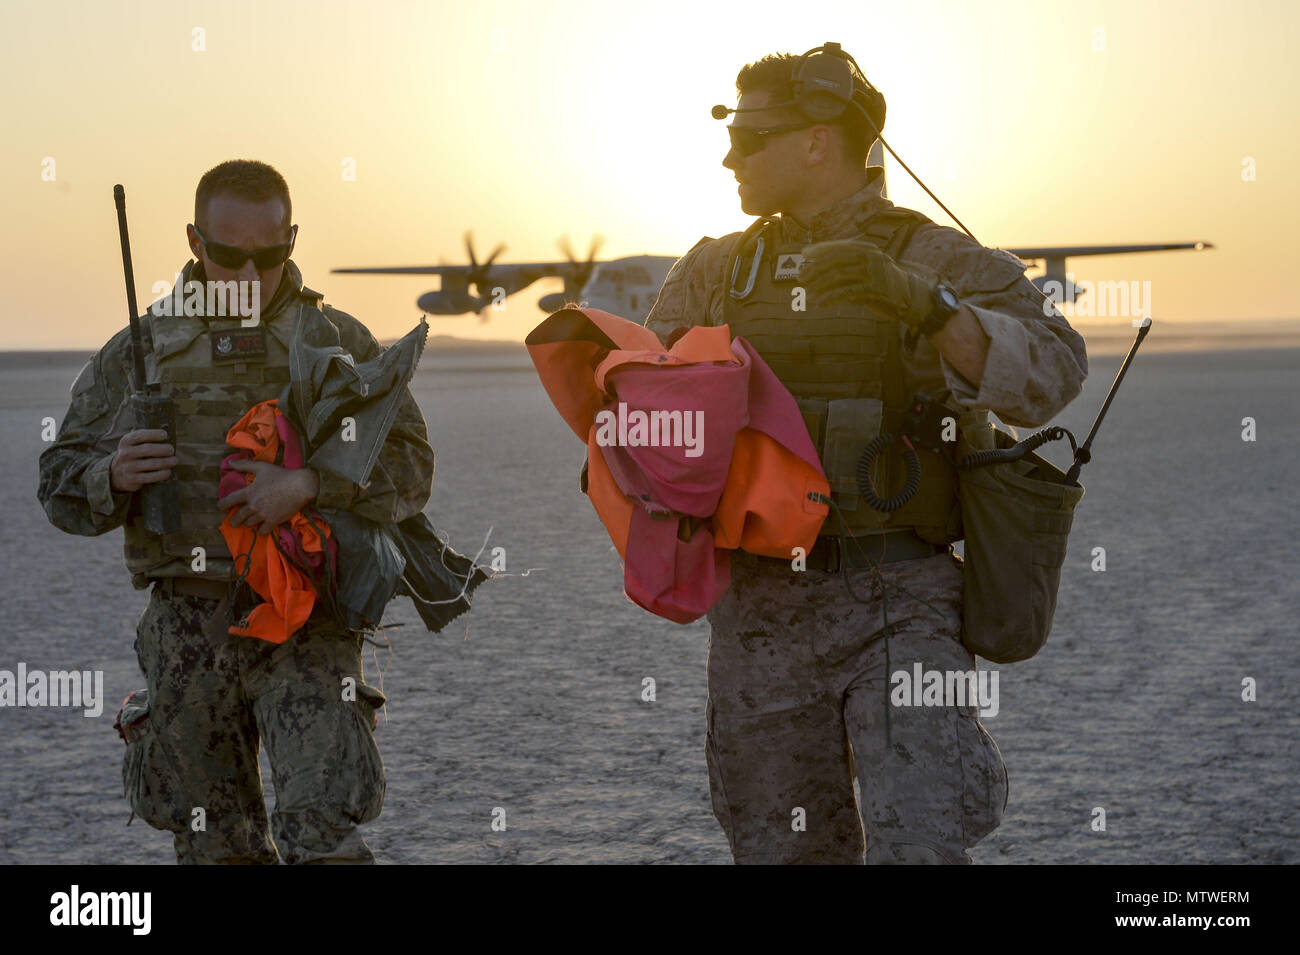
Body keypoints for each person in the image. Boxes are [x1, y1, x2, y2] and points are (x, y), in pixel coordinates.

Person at [643, 45, 1088, 864]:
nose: (729, 155)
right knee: (780, 849)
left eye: (751, 135)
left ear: (818, 141)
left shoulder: (937, 261)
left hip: (902, 601)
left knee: (920, 841)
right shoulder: (714, 272)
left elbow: (1055, 370)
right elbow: (640, 408)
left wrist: (927, 308)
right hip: (761, 614)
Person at [38, 159, 435, 864]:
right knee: (216, 844)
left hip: (308, 616)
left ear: (292, 240)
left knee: (323, 831)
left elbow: (412, 466)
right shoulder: (141, 351)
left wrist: (310, 482)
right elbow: (58, 483)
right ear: (195, 242)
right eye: (229, 257)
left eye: (270, 256)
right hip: (190, 624)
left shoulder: (335, 343)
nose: (249, 277)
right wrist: (111, 475)